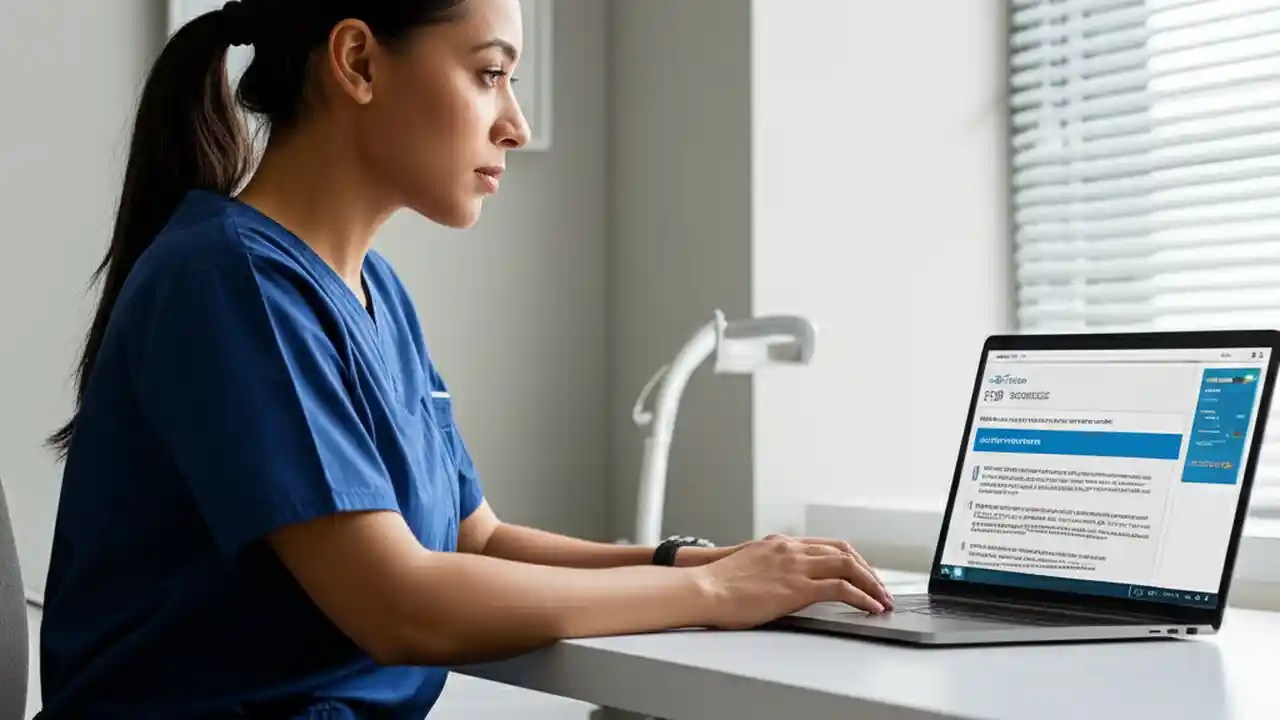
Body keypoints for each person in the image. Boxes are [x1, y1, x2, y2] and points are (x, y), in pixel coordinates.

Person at [36, 1, 893, 717]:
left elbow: (473, 541)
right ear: (359, 62)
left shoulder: (375, 294)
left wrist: (685, 563)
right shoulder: (231, 280)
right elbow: (400, 603)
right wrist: (713, 598)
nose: (514, 123)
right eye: (489, 74)